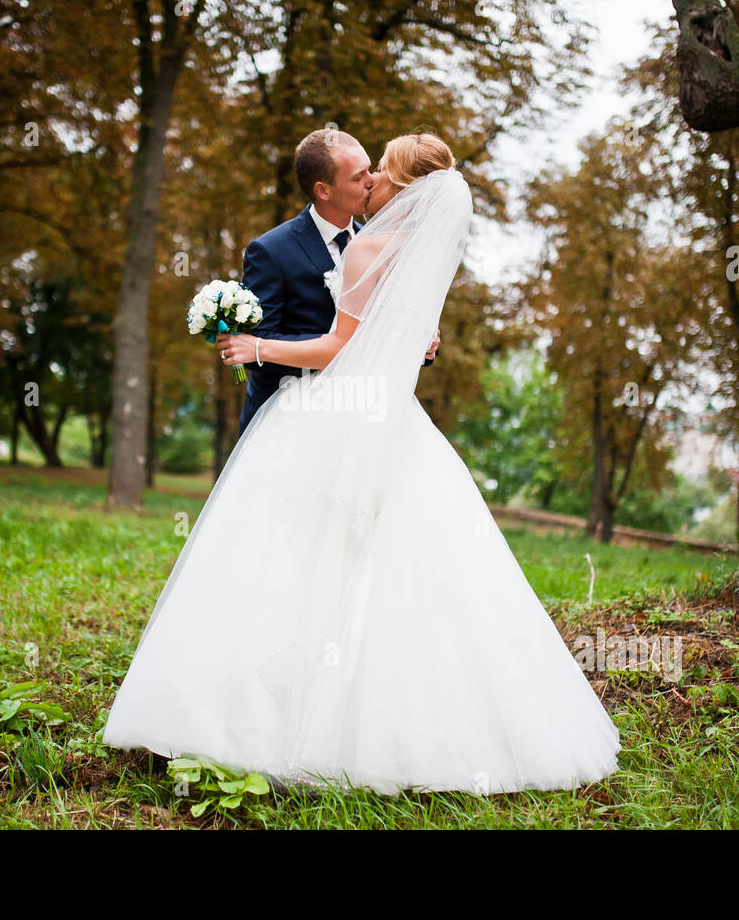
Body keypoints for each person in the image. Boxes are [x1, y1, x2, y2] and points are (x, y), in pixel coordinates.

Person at [101, 133, 621, 796]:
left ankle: (296, 710)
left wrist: (258, 344)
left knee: (308, 552)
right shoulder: (416, 252)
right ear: (326, 187)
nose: (370, 178)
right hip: (385, 419)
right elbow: (387, 331)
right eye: (360, 171)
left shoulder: (372, 245)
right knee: (379, 558)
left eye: (379, 169)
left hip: (338, 410)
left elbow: (339, 347)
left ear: (401, 184)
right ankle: (381, 705)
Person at [234, 127, 438, 437]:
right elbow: (255, 353)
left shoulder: (381, 246)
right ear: (323, 190)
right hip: (286, 424)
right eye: (358, 177)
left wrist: (419, 342)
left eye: (370, 169)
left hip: (362, 420)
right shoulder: (271, 251)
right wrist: (338, 349)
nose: (371, 180)